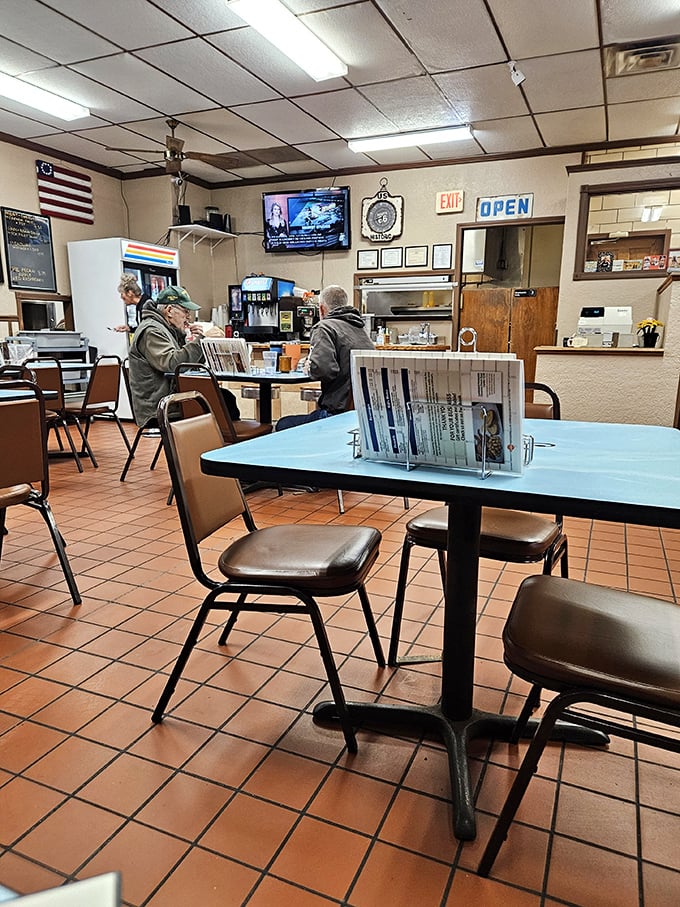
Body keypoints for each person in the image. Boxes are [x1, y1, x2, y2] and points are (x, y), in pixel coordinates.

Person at [128, 285, 240, 428]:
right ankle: (220, 444)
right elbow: (173, 365)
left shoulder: (166, 329)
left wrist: (195, 340)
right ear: (169, 311)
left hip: (172, 397)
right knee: (223, 402)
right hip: (159, 407)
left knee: (225, 398)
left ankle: (219, 444)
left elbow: (185, 364)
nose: (188, 317)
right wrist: (202, 340)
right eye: (186, 312)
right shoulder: (151, 331)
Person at [276, 285, 373, 431]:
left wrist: (310, 366)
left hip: (335, 414)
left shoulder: (324, 328)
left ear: (321, 309)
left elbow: (324, 370)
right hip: (361, 415)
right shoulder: (360, 329)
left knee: (281, 424)